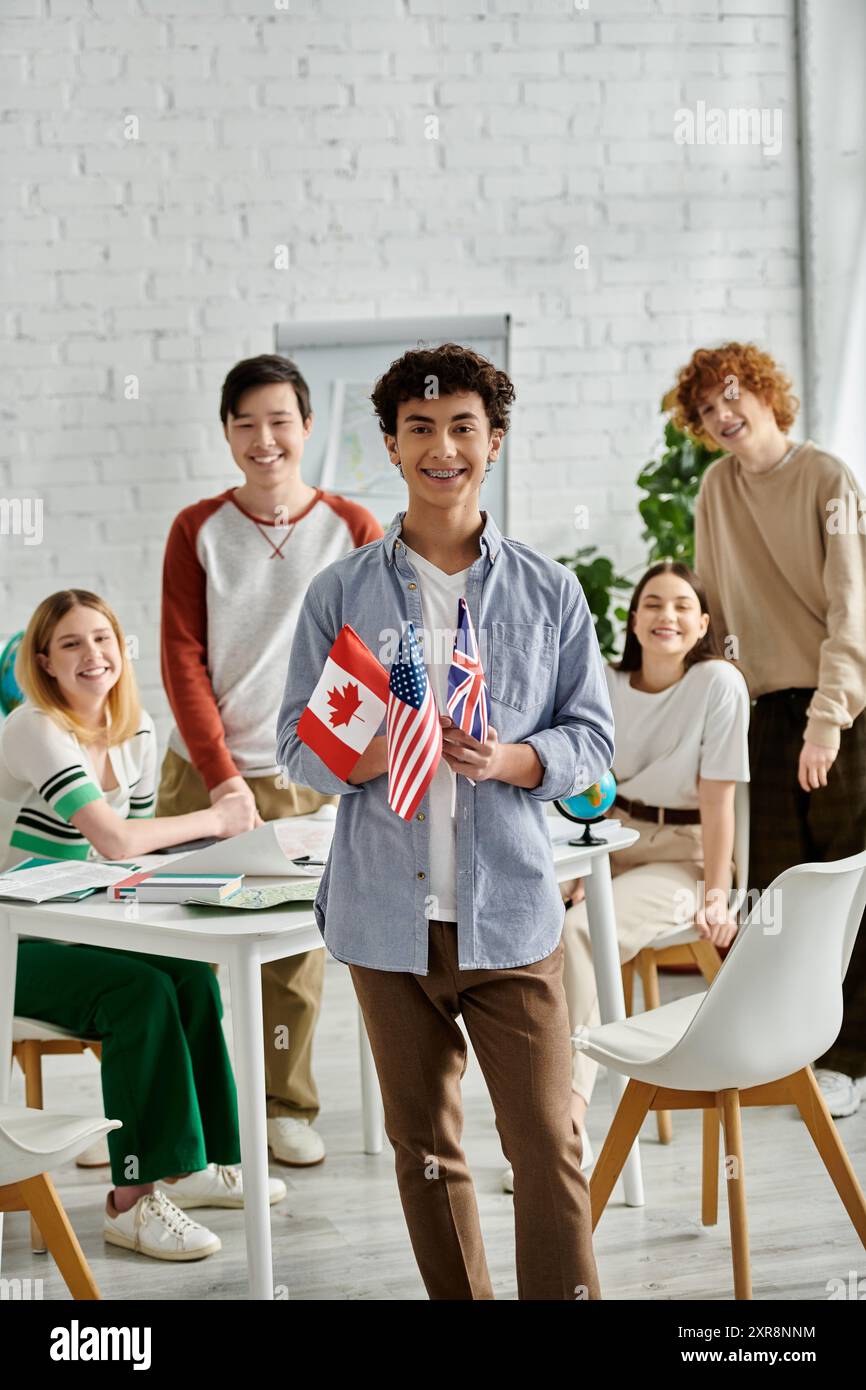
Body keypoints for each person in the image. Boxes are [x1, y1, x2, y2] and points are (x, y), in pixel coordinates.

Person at [276, 343, 614, 1300]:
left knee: (547, 1142)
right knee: (423, 1149)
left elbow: (592, 740)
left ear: (494, 442)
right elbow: (297, 752)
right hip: (385, 921)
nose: (442, 447)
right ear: (390, 444)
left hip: (510, 913)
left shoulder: (551, 593)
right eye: (420, 428)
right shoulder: (338, 594)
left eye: (463, 427)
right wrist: (379, 753)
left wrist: (508, 759)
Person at [0, 589, 285, 1262]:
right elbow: (117, 840)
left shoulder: (135, 732)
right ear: (43, 661)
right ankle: (131, 1200)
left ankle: (207, 1162)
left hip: (74, 926)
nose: (92, 655)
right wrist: (221, 817)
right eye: (70, 643)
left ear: (120, 647)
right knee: (140, 994)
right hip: (12, 941)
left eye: (101, 638)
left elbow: (137, 857)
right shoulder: (33, 728)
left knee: (189, 977)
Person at [155, 354, 382, 1167]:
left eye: (279, 421)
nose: (264, 439)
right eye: (245, 423)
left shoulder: (351, 527)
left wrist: (332, 759)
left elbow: (371, 654)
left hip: (303, 775)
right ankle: (170, 1118)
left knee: (292, 957)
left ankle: (285, 1106)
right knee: (177, 949)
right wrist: (219, 777)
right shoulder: (198, 529)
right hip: (202, 775)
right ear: (226, 432)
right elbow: (182, 657)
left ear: (307, 427)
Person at [679, 341, 866, 1118]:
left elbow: (852, 610)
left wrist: (826, 721)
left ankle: (851, 1061)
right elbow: (712, 605)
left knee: (846, 892)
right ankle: (796, 1050)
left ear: (764, 393)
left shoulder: (829, 479)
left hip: (838, 711)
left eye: (731, 397)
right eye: (705, 409)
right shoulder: (715, 491)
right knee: (778, 897)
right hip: (757, 714)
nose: (722, 416)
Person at [558, 562, 748, 1145]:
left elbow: (719, 804)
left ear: (703, 624)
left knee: (583, 932)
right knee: (528, 915)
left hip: (686, 854)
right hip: (608, 839)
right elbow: (585, 784)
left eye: (682, 606)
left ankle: (566, 1108)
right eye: (654, 604)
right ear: (634, 619)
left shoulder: (719, 683)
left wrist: (718, 894)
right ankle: (523, 1085)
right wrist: (579, 864)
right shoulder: (607, 685)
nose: (667, 615)